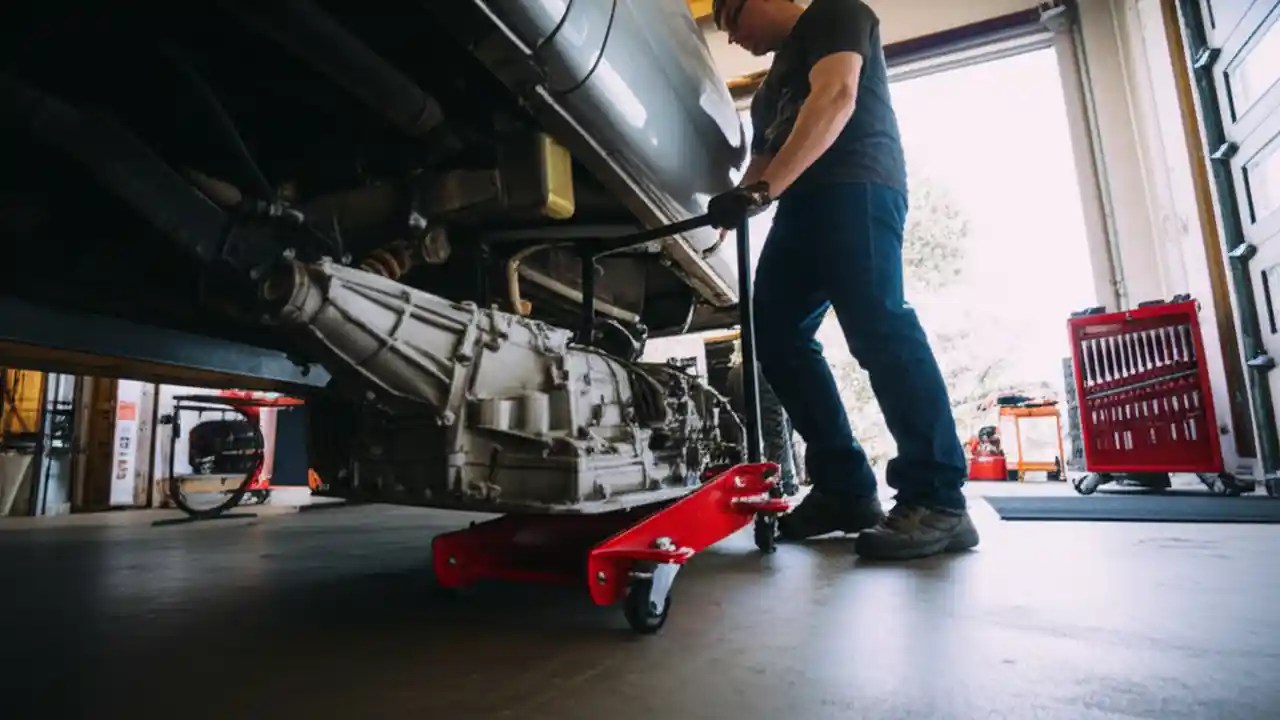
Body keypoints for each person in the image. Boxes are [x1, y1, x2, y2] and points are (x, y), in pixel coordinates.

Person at [705, 0, 979, 560]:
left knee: (879, 326)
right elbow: (760, 167)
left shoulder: (835, 13)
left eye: (731, 18)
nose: (731, 37)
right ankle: (845, 488)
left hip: (857, 186)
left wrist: (763, 190)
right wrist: (727, 218)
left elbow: (837, 96)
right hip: (799, 205)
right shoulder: (768, 91)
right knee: (773, 333)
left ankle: (939, 498)